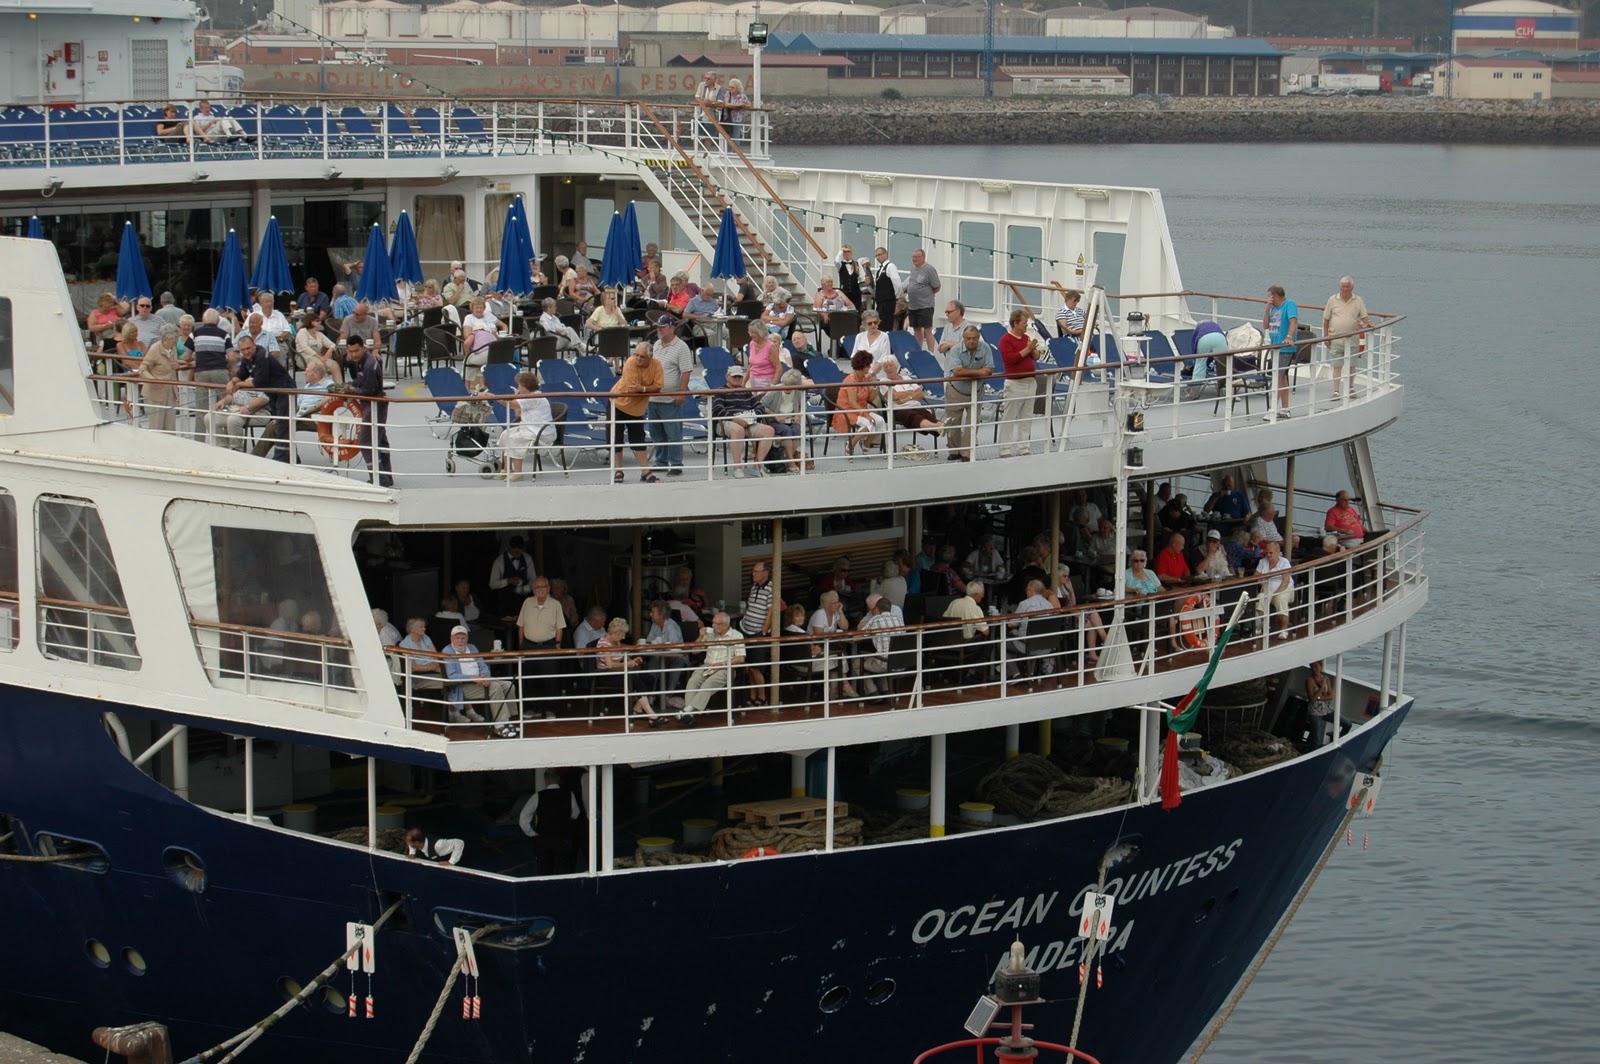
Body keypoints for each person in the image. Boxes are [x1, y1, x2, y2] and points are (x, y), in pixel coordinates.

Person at [442, 626, 518, 737]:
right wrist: (473, 678)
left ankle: (509, 720)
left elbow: (482, 665)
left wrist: (485, 676)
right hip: (462, 686)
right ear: (451, 639)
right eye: (457, 638)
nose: (460, 641)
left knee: (508, 685)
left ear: (467, 639)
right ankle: (499, 726)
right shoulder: (447, 651)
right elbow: (452, 676)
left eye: (463, 638)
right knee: (495, 687)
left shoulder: (472, 648)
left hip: (480, 681)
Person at [342, 334, 392, 485]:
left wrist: (351, 389)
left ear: (363, 347)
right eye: (350, 352)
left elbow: (369, 390)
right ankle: (387, 476)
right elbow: (360, 381)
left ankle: (377, 477)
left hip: (374, 404)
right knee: (381, 441)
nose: (353, 355)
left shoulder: (369, 365)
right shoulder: (362, 361)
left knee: (365, 441)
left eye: (356, 351)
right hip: (373, 404)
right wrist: (351, 384)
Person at [680, 611, 746, 722]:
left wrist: (722, 664)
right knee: (693, 680)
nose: (713, 626)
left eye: (716, 624)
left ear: (725, 625)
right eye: (713, 623)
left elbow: (741, 658)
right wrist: (701, 636)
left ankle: (688, 711)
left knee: (708, 683)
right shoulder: (709, 634)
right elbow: (695, 652)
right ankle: (689, 715)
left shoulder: (736, 635)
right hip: (708, 666)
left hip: (725, 667)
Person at [650, 313, 695, 475]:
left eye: (662, 327)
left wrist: (681, 393)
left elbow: (686, 371)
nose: (659, 329)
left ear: (671, 328)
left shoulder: (681, 347)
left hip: (670, 398)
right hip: (654, 397)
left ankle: (676, 464)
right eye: (658, 327)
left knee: (673, 433)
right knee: (657, 433)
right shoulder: (656, 345)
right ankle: (661, 461)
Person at [611, 341, 662, 483]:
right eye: (636, 355)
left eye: (642, 356)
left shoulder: (656, 365)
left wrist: (643, 389)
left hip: (637, 409)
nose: (638, 358)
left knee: (639, 439)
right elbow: (632, 388)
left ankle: (645, 472)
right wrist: (646, 389)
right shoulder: (630, 362)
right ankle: (618, 470)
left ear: (650, 357)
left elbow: (658, 386)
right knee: (616, 439)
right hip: (618, 403)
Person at [594, 618, 662, 725]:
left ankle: (637, 710)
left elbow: (622, 658)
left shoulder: (617, 643)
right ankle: (652, 715)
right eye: (622, 634)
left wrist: (633, 661)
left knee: (649, 678)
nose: (624, 637)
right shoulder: (604, 644)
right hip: (607, 676)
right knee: (634, 679)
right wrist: (627, 665)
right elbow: (610, 665)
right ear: (616, 632)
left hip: (619, 673)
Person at [713, 364, 776, 477]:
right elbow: (718, 410)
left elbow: (759, 406)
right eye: (734, 377)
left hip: (748, 421)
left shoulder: (746, 391)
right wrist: (735, 419)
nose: (737, 379)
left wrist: (752, 417)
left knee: (769, 430)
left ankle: (757, 466)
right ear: (727, 376)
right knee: (738, 430)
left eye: (739, 377)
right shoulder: (720, 391)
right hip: (727, 422)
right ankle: (737, 468)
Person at [942, 324, 992, 462]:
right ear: (963, 338)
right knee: (953, 423)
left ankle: (967, 454)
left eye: (974, 338)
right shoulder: (956, 349)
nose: (971, 341)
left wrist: (973, 372)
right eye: (968, 338)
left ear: (978, 338)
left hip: (976, 391)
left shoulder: (985, 348)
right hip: (955, 391)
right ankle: (954, 451)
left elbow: (989, 369)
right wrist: (979, 372)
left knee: (972, 424)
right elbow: (957, 371)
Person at [997, 309, 1040, 458]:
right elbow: (1011, 359)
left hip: (1030, 382)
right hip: (1015, 383)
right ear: (1016, 323)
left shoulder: (1026, 337)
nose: (1026, 325)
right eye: (1024, 323)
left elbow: (1036, 356)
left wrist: (1032, 349)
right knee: (1009, 417)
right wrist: (1028, 348)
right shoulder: (1005, 340)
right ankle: (1005, 449)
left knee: (1027, 417)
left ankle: (1024, 447)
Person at [1322, 276, 1374, 400]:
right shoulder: (1332, 300)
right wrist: (1326, 337)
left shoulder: (1358, 301)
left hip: (1352, 340)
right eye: (1343, 287)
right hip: (1336, 338)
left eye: (1348, 287)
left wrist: (1369, 323)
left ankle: (1350, 388)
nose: (1345, 289)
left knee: (1351, 365)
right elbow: (1326, 320)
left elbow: (1364, 316)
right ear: (1340, 287)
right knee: (1337, 365)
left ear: (1352, 288)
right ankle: (1336, 391)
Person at [500, 370, 556, 481]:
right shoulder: (527, 397)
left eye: (519, 386)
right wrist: (517, 396)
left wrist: (491, 397)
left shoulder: (533, 398)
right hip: (530, 428)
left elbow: (510, 404)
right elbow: (518, 413)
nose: (518, 388)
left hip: (541, 432)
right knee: (505, 434)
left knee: (515, 439)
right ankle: (506, 469)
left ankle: (518, 473)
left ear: (525, 387)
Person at [832, 350, 886, 458]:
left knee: (880, 421)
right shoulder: (851, 380)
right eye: (868, 365)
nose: (870, 367)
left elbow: (870, 398)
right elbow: (852, 402)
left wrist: (874, 386)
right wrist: (866, 414)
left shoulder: (865, 379)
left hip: (860, 410)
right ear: (863, 366)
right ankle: (851, 444)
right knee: (869, 423)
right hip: (847, 410)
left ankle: (866, 444)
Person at [738, 559, 777, 706]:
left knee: (756, 667)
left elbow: (771, 612)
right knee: (749, 666)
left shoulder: (771, 588)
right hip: (746, 630)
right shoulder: (754, 585)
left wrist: (763, 631)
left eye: (756, 571)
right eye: (753, 571)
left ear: (765, 573)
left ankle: (762, 697)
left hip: (757, 633)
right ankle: (753, 696)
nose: (752, 573)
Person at [397, 617, 457, 714]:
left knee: (454, 673)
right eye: (421, 627)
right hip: (420, 675)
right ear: (413, 629)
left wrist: (436, 665)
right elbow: (414, 667)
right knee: (450, 679)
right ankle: (454, 712)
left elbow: (435, 655)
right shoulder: (405, 645)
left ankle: (458, 710)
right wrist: (432, 668)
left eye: (424, 627)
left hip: (433, 669)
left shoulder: (425, 637)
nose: (424, 629)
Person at [137, 323, 187, 433]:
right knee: (157, 425)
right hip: (157, 392)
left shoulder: (172, 348)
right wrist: (154, 380)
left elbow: (174, 364)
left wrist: (177, 366)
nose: (176, 340)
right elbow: (143, 369)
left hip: (170, 390)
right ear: (168, 338)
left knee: (170, 425)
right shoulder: (155, 349)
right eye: (175, 338)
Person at [809, 590, 858, 701]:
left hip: (827, 648)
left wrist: (840, 612)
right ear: (826, 604)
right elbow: (818, 634)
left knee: (838, 656)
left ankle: (834, 690)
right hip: (815, 650)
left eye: (837, 602)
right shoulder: (820, 614)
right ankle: (844, 686)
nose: (836, 605)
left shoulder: (835, 613)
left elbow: (845, 627)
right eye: (834, 603)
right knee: (838, 657)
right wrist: (835, 635)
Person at [1262, 283, 1299, 421]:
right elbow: (1266, 325)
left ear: (1276, 295)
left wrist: (1289, 337)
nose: (1269, 299)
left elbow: (1293, 321)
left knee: (1278, 376)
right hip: (1275, 346)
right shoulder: (1273, 308)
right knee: (1282, 378)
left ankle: (1272, 408)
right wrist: (1267, 309)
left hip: (1284, 347)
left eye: (1270, 296)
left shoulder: (1289, 304)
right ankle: (1285, 408)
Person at [760, 368, 807, 473]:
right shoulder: (775, 391)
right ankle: (791, 461)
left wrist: (798, 415)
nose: (786, 387)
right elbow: (761, 405)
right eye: (785, 384)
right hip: (774, 421)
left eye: (789, 386)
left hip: (791, 419)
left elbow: (802, 406)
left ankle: (787, 459)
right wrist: (775, 415)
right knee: (786, 431)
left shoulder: (799, 392)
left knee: (797, 429)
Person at [857, 594, 902, 698]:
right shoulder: (898, 619)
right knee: (877, 657)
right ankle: (885, 691)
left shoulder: (875, 619)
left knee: (857, 662)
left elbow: (860, 634)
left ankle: (872, 692)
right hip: (900, 662)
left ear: (876, 608)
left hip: (885, 664)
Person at [903, 248, 941, 354]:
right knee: (916, 329)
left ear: (923, 257)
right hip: (913, 305)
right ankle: (918, 351)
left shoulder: (929, 269)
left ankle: (930, 352)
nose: (915, 259)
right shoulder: (913, 269)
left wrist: (926, 295)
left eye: (917, 257)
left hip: (925, 305)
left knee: (927, 329)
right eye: (913, 257)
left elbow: (937, 286)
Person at [1255, 540, 1294, 638]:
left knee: (1280, 599)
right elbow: (1255, 576)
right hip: (1268, 589)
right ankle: (1264, 624)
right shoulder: (1262, 562)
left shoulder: (1284, 562)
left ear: (1277, 552)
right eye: (1266, 552)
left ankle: (1284, 630)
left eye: (1271, 552)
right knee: (1260, 599)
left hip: (1284, 589)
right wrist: (1261, 583)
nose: (1268, 555)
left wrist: (1275, 594)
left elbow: (1285, 581)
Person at [489, 535, 535, 613]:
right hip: (506, 602)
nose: (518, 551)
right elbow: (492, 584)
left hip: (524, 600)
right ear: (510, 547)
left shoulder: (527, 558)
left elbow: (533, 578)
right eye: (515, 549)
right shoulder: (499, 561)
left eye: (520, 549)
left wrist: (528, 588)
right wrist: (508, 581)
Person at [744, 319, 782, 390]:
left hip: (766, 382)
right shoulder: (752, 343)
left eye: (753, 332)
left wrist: (772, 386)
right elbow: (751, 365)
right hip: (753, 381)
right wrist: (743, 383)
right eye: (750, 332)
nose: (751, 335)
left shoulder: (771, 347)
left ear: (760, 332)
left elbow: (779, 369)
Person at [1304, 660, 1335, 748]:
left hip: (1326, 709)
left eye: (1316, 666)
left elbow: (1330, 696)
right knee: (1317, 740)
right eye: (1312, 667)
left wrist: (1318, 698)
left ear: (1320, 667)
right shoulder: (1309, 680)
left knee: (1347, 724)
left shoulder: (1326, 678)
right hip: (1315, 712)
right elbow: (1312, 699)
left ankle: (1334, 738)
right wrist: (1321, 688)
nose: (1314, 669)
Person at [869, 246, 902, 321]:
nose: (878, 257)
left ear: (886, 254)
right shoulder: (879, 270)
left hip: (888, 302)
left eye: (879, 255)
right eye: (876, 256)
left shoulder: (890, 266)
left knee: (886, 323)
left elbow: (897, 283)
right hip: (880, 302)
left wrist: (895, 297)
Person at [835, 243, 863, 308]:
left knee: (856, 312)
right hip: (844, 293)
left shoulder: (857, 264)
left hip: (856, 294)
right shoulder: (840, 265)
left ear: (851, 252)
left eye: (848, 251)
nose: (847, 253)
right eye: (845, 252)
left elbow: (862, 277)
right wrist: (841, 251)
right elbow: (836, 261)